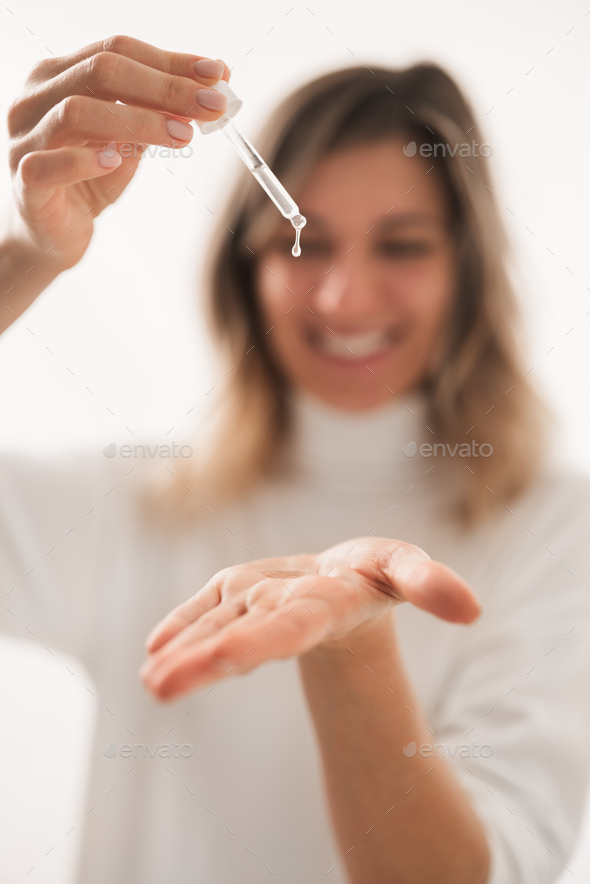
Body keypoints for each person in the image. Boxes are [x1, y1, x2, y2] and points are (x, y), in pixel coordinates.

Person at [1, 34, 589, 884]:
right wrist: (25, 253)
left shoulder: (554, 526)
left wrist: (355, 653)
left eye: (401, 245)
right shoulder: (134, 497)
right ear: (245, 267)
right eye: (299, 240)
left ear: (467, 269)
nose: (346, 296)